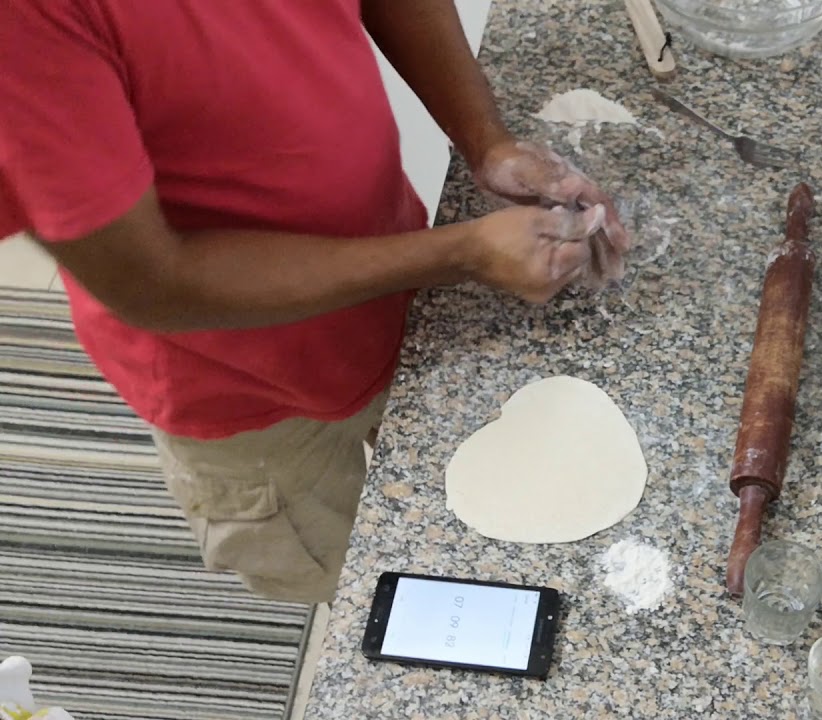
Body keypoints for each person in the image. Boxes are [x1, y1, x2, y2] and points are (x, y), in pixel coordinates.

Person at [0, 0, 631, 604]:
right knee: (360, 581)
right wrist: (459, 254)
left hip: (394, 296)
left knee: (448, 516)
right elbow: (151, 281)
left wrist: (487, 141)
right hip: (246, 386)